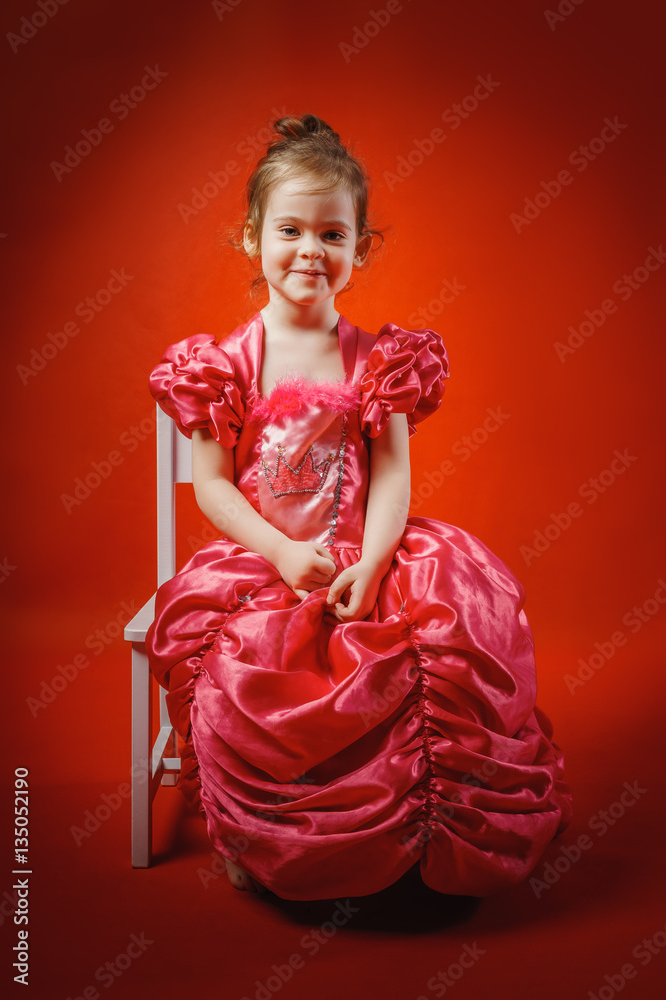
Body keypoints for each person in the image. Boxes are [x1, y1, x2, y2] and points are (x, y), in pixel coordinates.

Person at [146, 112, 572, 900]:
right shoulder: (223, 364)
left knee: (432, 638)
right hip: (264, 555)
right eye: (291, 230)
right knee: (257, 659)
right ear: (251, 237)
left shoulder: (382, 360)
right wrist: (280, 553)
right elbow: (211, 485)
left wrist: (374, 564)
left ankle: (411, 837)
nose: (311, 250)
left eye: (333, 235)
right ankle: (274, 829)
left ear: (359, 249)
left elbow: (391, 479)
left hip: (364, 548)